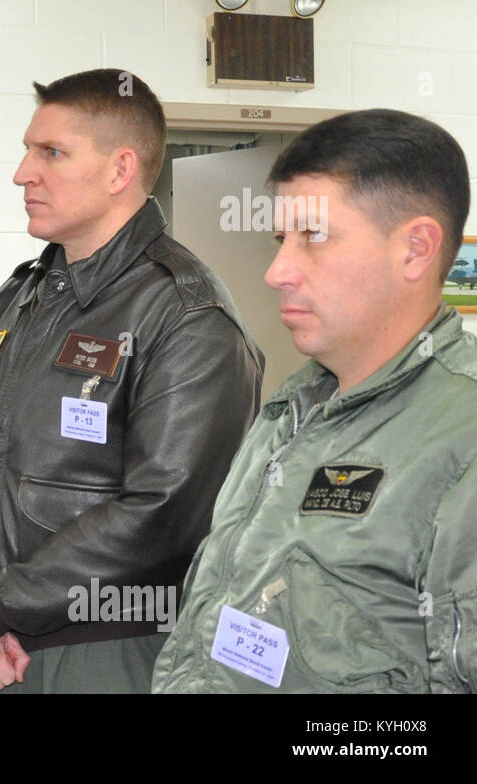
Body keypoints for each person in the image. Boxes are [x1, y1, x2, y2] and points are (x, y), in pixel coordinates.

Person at [0, 68, 264, 693]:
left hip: (110, 651)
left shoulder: (185, 315)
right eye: (28, 150)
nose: (23, 172)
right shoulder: (19, 298)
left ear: (119, 170)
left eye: (50, 152)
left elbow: (161, 514)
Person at [154, 109, 476, 693]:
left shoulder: (462, 436)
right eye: (281, 239)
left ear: (415, 248)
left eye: (314, 236)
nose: (277, 271)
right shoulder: (293, 407)